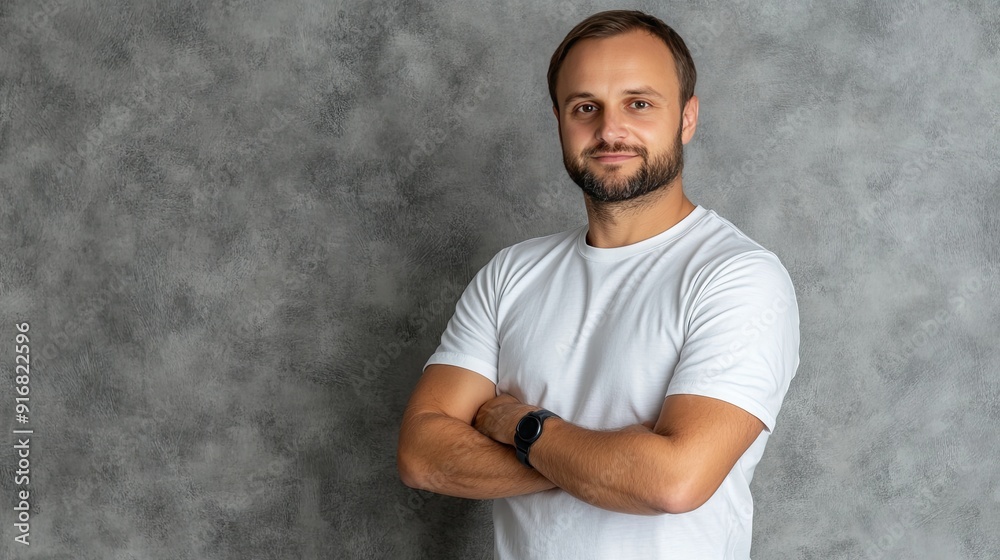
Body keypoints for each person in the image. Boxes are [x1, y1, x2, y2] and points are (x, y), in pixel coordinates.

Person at [397, 9, 800, 560]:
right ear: (560, 120)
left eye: (639, 104)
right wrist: (613, 461)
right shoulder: (511, 273)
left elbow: (671, 483)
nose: (610, 130)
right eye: (585, 107)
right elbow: (422, 454)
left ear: (686, 118)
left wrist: (519, 425)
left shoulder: (737, 277)